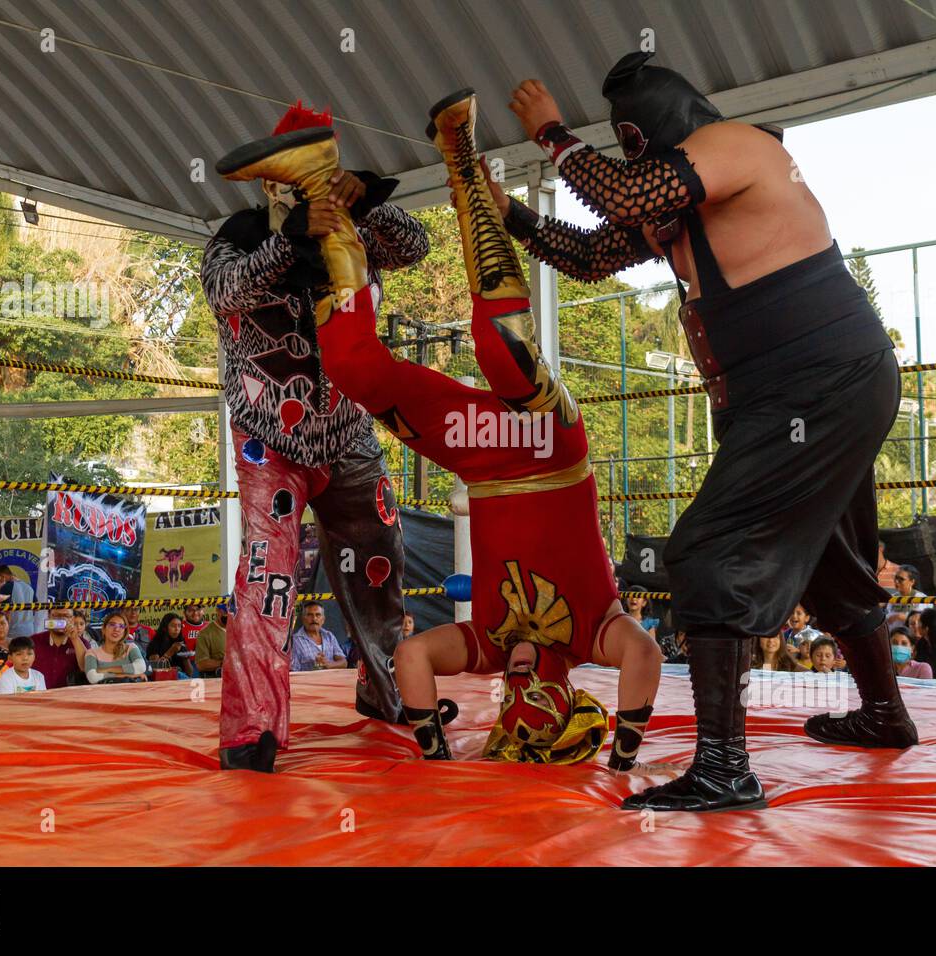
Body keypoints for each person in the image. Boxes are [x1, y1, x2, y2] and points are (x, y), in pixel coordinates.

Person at [500, 55, 910, 811]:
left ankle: (725, 767)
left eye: (640, 150)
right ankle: (885, 713)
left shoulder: (742, 147)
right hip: (811, 391)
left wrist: (552, 135)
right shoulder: (680, 207)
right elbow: (590, 255)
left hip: (816, 387)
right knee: (830, 558)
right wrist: (507, 215)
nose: (642, 170)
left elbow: (625, 192)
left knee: (705, 552)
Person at [234, 91, 663, 769]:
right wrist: (625, 754)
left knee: (353, 366)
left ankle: (318, 172)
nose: (520, 678)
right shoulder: (595, 637)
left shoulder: (486, 648)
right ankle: (459, 154)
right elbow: (645, 655)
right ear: (572, 695)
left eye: (510, 696)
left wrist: (436, 753)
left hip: (483, 462)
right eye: (538, 693)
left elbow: (411, 655)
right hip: (549, 447)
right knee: (504, 351)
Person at [206, 102, 429, 772]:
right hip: (266, 438)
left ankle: (386, 689)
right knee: (269, 578)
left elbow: (416, 246)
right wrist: (295, 238)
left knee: (380, 559)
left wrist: (369, 207)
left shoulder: (358, 227)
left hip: (350, 431)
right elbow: (228, 293)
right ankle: (252, 731)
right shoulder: (238, 238)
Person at [29, 605, 90, 689]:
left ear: (72, 619)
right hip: (39, 696)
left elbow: (86, 668)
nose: (61, 619)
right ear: (49, 617)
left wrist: (75, 639)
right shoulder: (34, 640)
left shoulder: (83, 643)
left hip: (70, 697)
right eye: (57, 615)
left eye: (66, 616)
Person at [86, 613, 149, 684]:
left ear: (124, 632)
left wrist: (107, 669)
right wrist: (129, 676)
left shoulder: (131, 647)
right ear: (103, 629)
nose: (116, 629)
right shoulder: (92, 653)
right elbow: (92, 678)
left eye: (121, 626)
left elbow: (141, 667)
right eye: (112, 624)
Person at [289, 602, 345, 672]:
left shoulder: (329, 636)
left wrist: (328, 665)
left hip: (332, 681)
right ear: (303, 619)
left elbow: (344, 662)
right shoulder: (295, 640)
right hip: (308, 682)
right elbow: (293, 671)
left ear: (323, 619)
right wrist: (315, 668)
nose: (314, 619)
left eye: (318, 615)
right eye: (309, 615)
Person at [0, 565, 36, 638]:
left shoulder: (6, 587)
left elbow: (4, 612)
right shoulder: (29, 587)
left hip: (13, 632)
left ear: (2, 576)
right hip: (30, 631)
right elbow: (36, 608)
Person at [148, 613, 193, 678]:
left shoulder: (180, 642)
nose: (177, 629)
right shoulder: (155, 643)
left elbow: (190, 673)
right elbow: (155, 668)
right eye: (173, 626)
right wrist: (170, 652)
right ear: (165, 627)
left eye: (179, 626)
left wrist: (185, 657)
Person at [195, 606, 229, 678]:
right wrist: (224, 663)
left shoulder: (240, 630)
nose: (228, 614)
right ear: (217, 610)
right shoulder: (205, 633)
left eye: (231, 611)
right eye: (225, 612)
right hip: (217, 680)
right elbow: (201, 664)